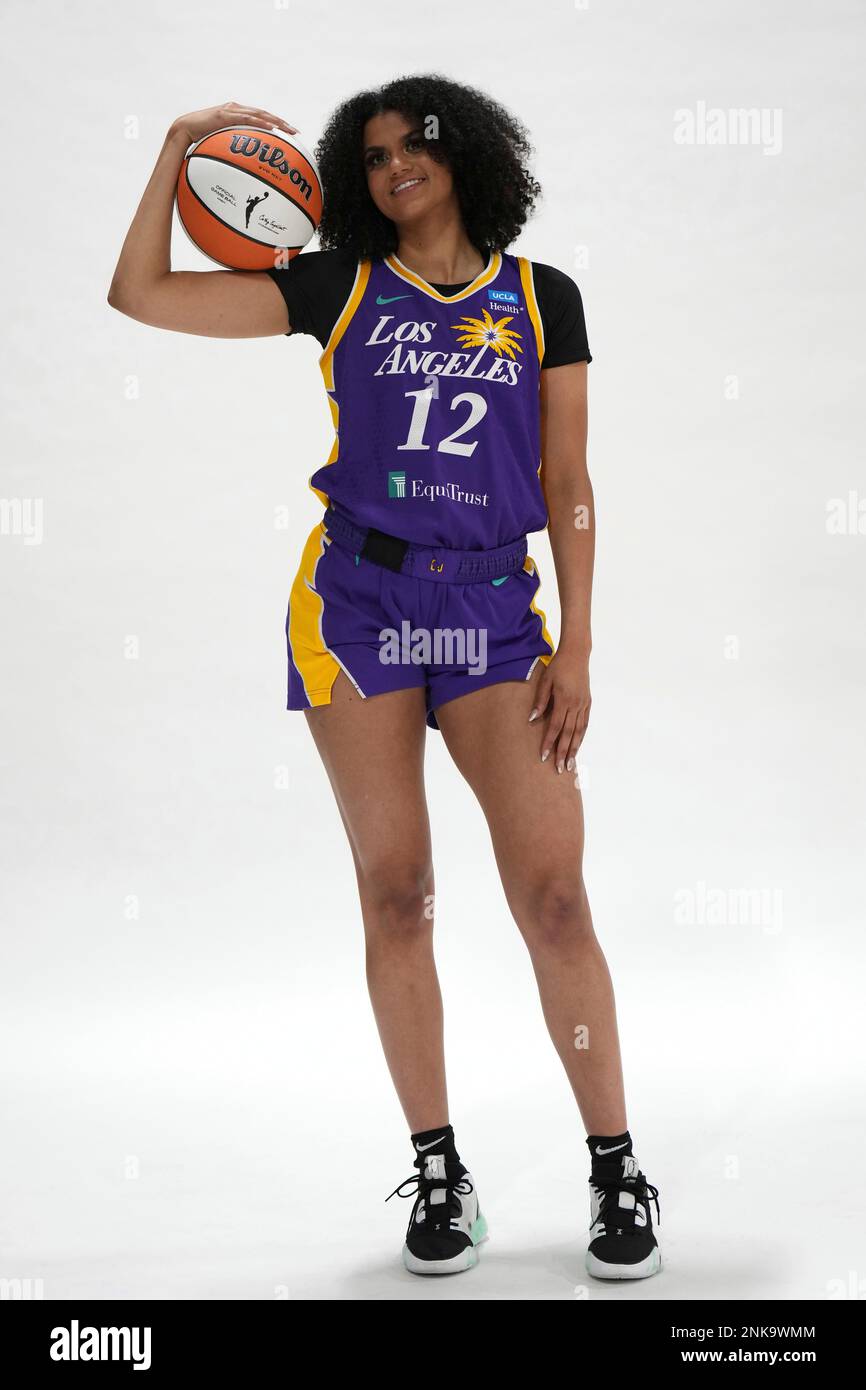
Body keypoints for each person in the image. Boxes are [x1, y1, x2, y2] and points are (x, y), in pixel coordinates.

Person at [108, 75, 661, 1282]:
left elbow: (567, 483)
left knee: (553, 897)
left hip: (489, 613)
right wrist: (172, 151)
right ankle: (437, 1167)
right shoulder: (338, 286)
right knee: (398, 891)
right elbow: (138, 293)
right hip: (355, 603)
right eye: (369, 154)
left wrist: (576, 642)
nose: (396, 162)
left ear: (465, 155)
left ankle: (615, 1165)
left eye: (417, 141)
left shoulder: (540, 296)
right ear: (350, 182)